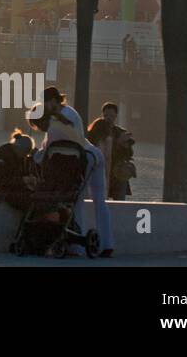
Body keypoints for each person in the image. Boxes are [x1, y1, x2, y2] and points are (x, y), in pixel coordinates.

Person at [29, 85, 114, 258]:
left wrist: (34, 155)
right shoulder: (71, 113)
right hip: (93, 155)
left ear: (52, 101)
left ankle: (78, 248)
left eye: (44, 103)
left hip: (82, 160)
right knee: (100, 201)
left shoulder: (56, 122)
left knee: (77, 201)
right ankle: (106, 244)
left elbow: (48, 149)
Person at [86, 102, 135, 200]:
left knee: (119, 202)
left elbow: (129, 154)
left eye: (111, 115)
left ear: (116, 116)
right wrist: (118, 142)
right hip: (101, 171)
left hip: (117, 173)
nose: (108, 118)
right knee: (98, 199)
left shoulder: (120, 132)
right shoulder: (96, 130)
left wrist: (124, 144)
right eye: (106, 115)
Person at [0, 131, 36, 211]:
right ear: (18, 148)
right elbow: (1, 180)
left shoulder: (19, 155)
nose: (25, 156)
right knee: (25, 200)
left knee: (35, 197)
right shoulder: (1, 155)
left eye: (27, 154)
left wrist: (30, 179)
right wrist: (23, 180)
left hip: (10, 186)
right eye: (25, 153)